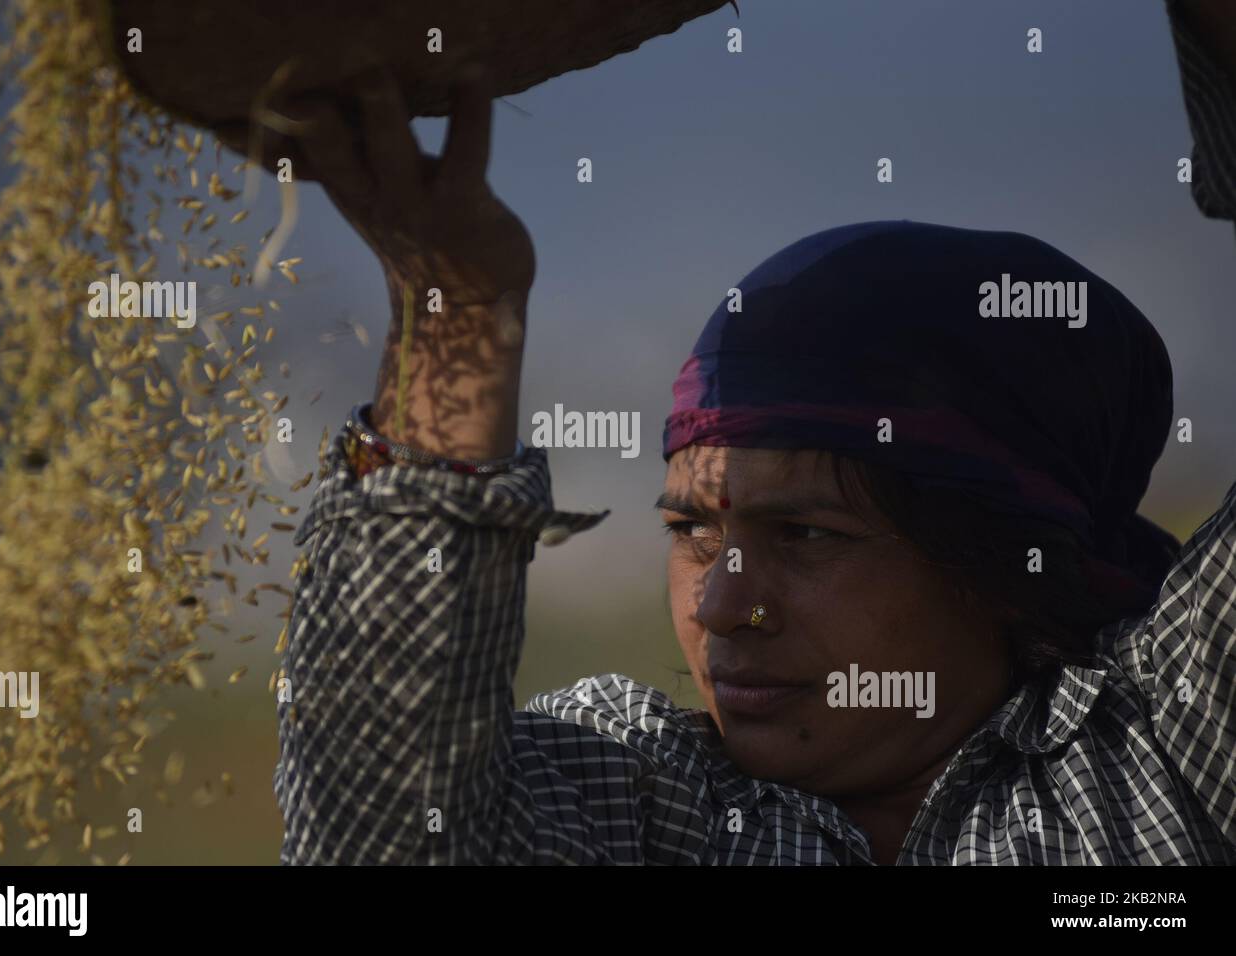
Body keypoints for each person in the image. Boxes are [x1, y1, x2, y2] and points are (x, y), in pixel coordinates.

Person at [272, 1, 1236, 864]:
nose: (722, 608)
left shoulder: (1167, 749)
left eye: (807, 535)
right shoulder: (645, 803)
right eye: (692, 530)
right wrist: (458, 322)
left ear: (1003, 567)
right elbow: (379, 830)